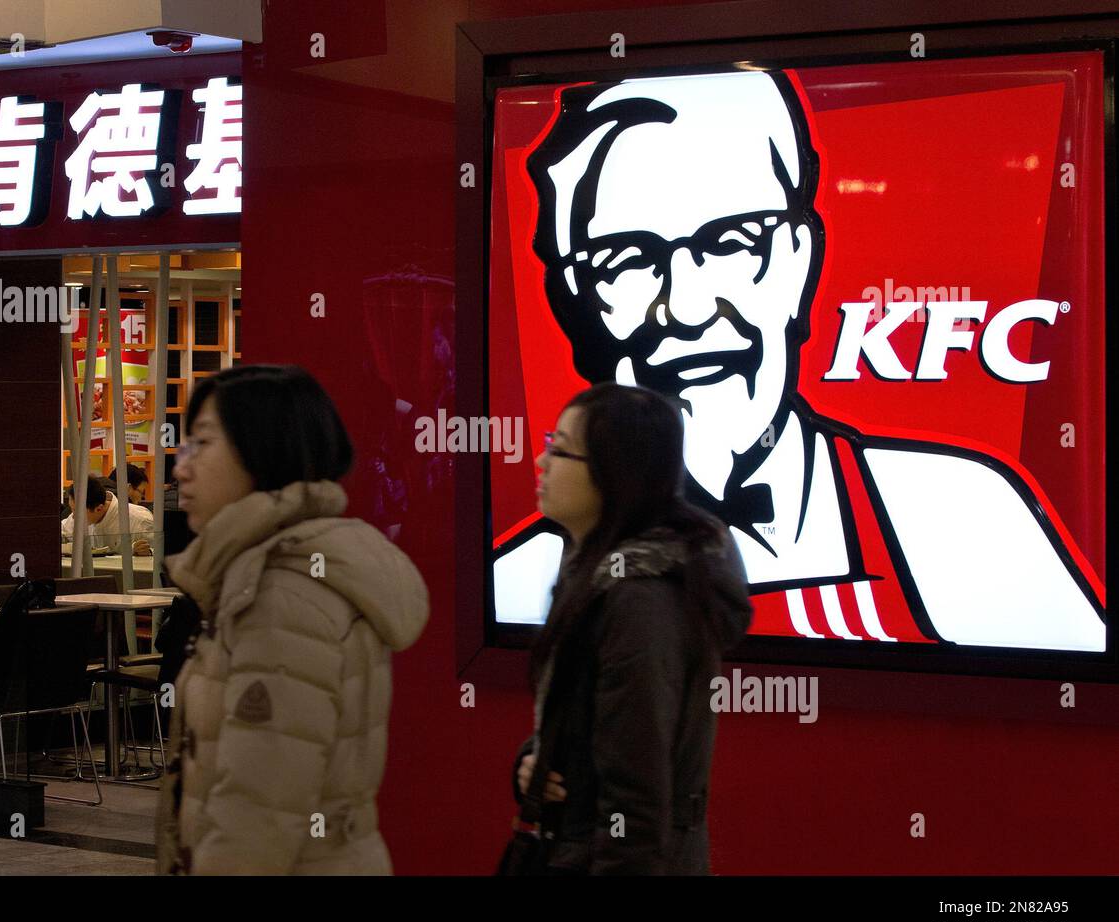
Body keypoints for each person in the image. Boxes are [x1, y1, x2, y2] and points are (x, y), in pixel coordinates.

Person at [494, 69, 1104, 651]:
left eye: (731, 243)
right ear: (579, 302)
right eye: (627, 260)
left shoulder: (963, 516)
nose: (686, 306)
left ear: (797, 260)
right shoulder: (522, 579)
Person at [156, 364, 429, 875]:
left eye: (202, 443)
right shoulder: (285, 569)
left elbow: (256, 816)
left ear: (262, 450)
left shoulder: (280, 592)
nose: (180, 467)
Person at [510, 383, 751, 875]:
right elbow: (596, 727)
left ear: (612, 471)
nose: (541, 461)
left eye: (559, 447)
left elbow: (636, 801)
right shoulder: (594, 571)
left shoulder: (641, 597)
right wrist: (538, 759)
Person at [61, 473, 156, 556]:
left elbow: (158, 554)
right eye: (72, 509)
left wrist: (146, 551)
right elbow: (62, 532)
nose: (73, 516)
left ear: (99, 508)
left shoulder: (139, 519)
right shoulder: (78, 515)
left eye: (76, 511)